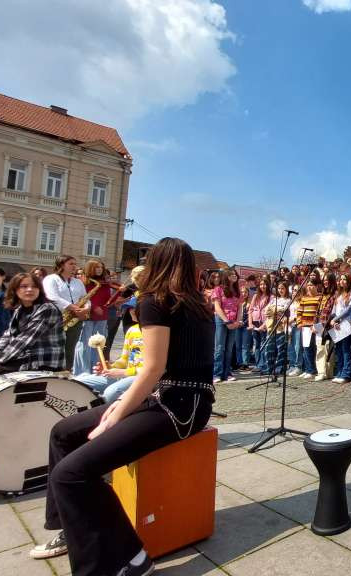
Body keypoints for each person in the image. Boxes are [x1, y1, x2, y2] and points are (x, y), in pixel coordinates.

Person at [29, 237, 214, 576]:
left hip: (176, 408)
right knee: (63, 432)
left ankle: (127, 558)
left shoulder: (154, 302)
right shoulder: (200, 304)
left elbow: (153, 368)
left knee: (70, 474)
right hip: (184, 402)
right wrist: (117, 410)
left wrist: (115, 413)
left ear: (154, 263)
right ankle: (70, 528)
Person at [0, 272, 65, 395]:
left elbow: (23, 341)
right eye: (24, 286)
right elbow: (6, 338)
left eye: (34, 286)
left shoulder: (47, 309)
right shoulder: (19, 310)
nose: (30, 289)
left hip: (40, 362)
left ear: (40, 290)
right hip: (23, 358)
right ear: (15, 290)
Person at [76, 297, 143, 403]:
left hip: (141, 378)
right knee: (78, 382)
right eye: (130, 308)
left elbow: (154, 370)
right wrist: (109, 367)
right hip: (124, 375)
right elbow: (124, 360)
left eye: (135, 308)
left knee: (111, 392)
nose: (131, 311)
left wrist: (123, 372)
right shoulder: (132, 330)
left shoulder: (156, 334)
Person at [43, 255, 89, 373]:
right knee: (55, 347)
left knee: (70, 348)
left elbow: (85, 297)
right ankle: (51, 372)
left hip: (75, 318)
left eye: (75, 264)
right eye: (71, 264)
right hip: (57, 317)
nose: (75, 266)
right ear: (61, 265)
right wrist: (72, 307)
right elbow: (51, 296)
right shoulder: (51, 279)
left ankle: (67, 372)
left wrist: (86, 308)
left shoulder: (78, 282)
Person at [74, 260, 113, 377]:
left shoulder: (105, 283)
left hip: (102, 316)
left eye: (101, 267)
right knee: (84, 345)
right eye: (97, 267)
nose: (100, 269)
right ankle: (82, 372)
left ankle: (94, 371)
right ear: (90, 268)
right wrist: (94, 307)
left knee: (99, 345)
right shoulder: (83, 282)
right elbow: (82, 297)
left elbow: (108, 299)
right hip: (88, 316)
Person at [211, 269, 243, 383]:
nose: (234, 276)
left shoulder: (237, 291)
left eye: (235, 275)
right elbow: (217, 307)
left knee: (229, 349)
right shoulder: (218, 289)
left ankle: (227, 373)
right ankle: (217, 373)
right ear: (226, 276)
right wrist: (227, 321)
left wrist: (237, 322)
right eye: (232, 274)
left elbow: (240, 308)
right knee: (220, 348)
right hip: (221, 320)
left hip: (234, 321)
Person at [330, 274, 351, 384]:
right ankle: (340, 371)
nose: (342, 281)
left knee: (346, 349)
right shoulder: (338, 295)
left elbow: (349, 310)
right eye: (341, 279)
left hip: (346, 325)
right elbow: (334, 310)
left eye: (344, 279)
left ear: (349, 281)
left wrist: (336, 319)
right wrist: (333, 320)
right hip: (338, 325)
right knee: (339, 349)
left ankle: (346, 373)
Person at [247, 278, 272, 374]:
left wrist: (264, 325)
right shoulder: (255, 296)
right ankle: (258, 364)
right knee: (256, 344)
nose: (263, 286)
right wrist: (250, 323)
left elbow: (270, 313)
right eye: (261, 284)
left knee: (264, 344)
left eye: (265, 284)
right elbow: (250, 310)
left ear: (268, 285)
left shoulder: (271, 297)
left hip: (265, 323)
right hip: (255, 322)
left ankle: (264, 364)